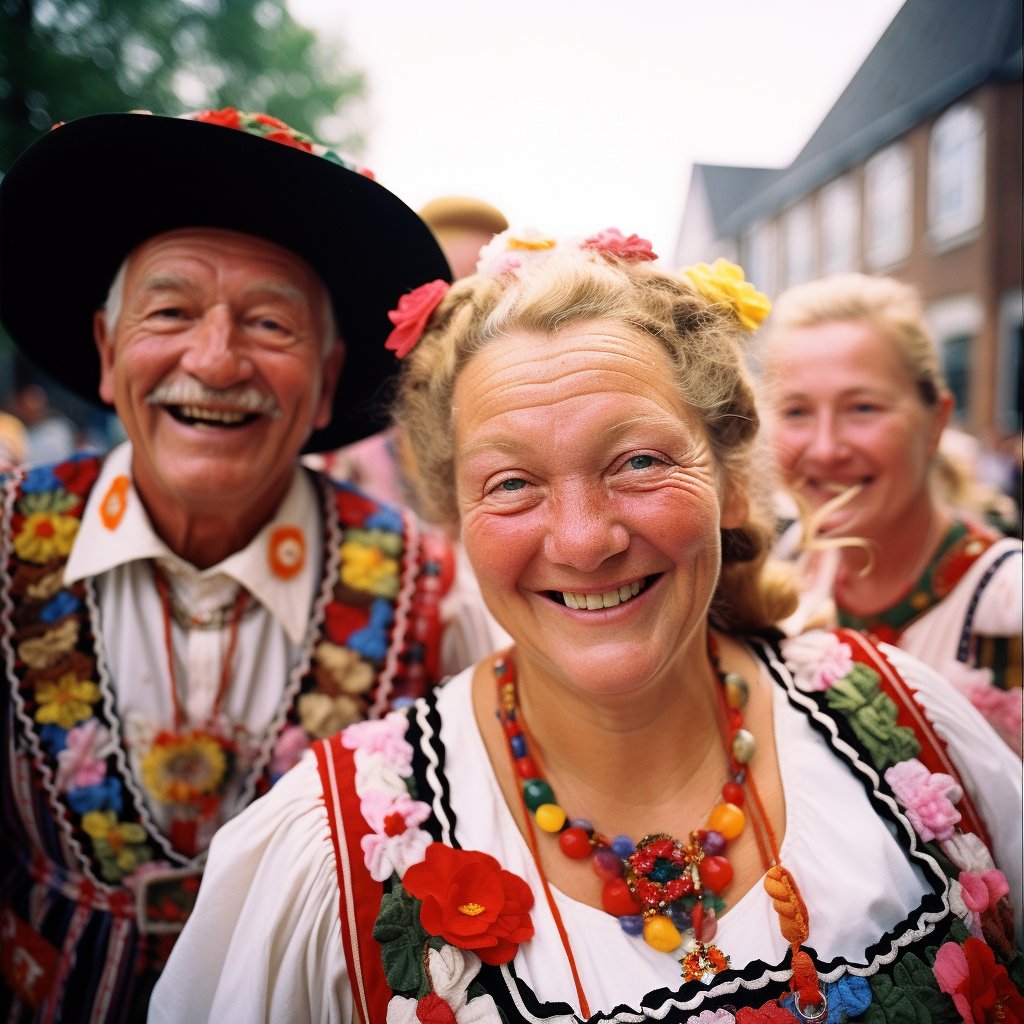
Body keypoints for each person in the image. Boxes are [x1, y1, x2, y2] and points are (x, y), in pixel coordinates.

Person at [151, 233, 1022, 1022]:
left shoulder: (905, 725)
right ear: (455, 520)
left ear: (734, 484)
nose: (582, 539)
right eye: (511, 483)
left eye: (639, 461)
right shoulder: (333, 848)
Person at [0, 108, 497, 1023]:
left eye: (269, 323)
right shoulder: (3, 541)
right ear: (109, 356)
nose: (216, 359)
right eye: (171, 311)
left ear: (326, 379)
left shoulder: (433, 589)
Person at [759, 273, 1022, 752]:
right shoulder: (780, 564)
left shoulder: (1009, 605)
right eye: (796, 412)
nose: (825, 449)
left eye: (862, 408)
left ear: (935, 422)